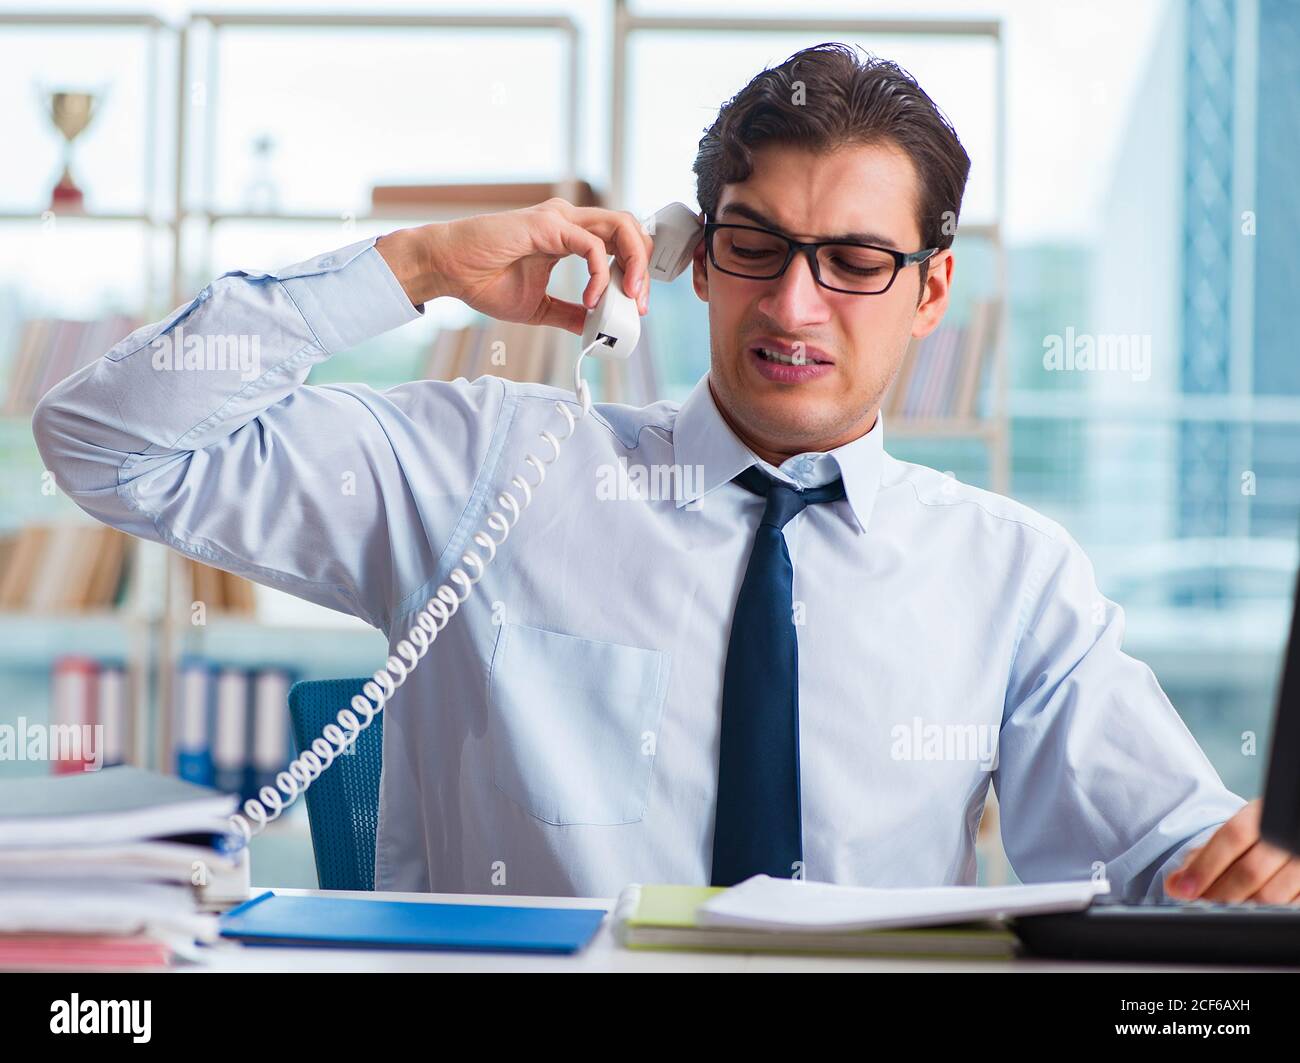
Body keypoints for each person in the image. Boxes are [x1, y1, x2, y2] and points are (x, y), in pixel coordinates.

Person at [33, 43, 1297, 903]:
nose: (793, 302)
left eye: (854, 260)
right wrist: (410, 266)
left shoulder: (1011, 575)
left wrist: (1237, 870)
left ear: (932, 292)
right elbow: (110, 440)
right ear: (693, 258)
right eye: (756, 243)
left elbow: (1169, 858)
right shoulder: (491, 467)